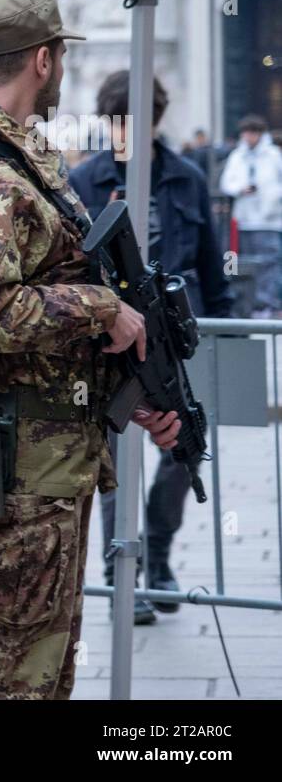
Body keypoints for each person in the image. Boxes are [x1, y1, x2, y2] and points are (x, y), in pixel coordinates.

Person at [0, 0, 182, 699]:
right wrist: (100, 307)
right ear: (44, 61)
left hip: (42, 458)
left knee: (42, 661)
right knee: (10, 669)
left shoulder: (12, 160)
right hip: (16, 465)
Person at [69, 70, 235, 625]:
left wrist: (227, 337)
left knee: (181, 447)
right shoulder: (82, 183)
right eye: (117, 124)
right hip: (111, 343)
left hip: (174, 340)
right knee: (115, 458)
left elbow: (213, 269)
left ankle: (159, 555)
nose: (125, 135)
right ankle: (123, 573)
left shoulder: (186, 178)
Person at [218, 114, 282, 316]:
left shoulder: (273, 156)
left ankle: (268, 303)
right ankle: (250, 302)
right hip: (244, 218)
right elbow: (226, 183)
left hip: (268, 219)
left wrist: (271, 198)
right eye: (246, 133)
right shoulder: (237, 156)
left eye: (252, 133)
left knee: (269, 262)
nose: (248, 137)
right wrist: (241, 189)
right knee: (245, 263)